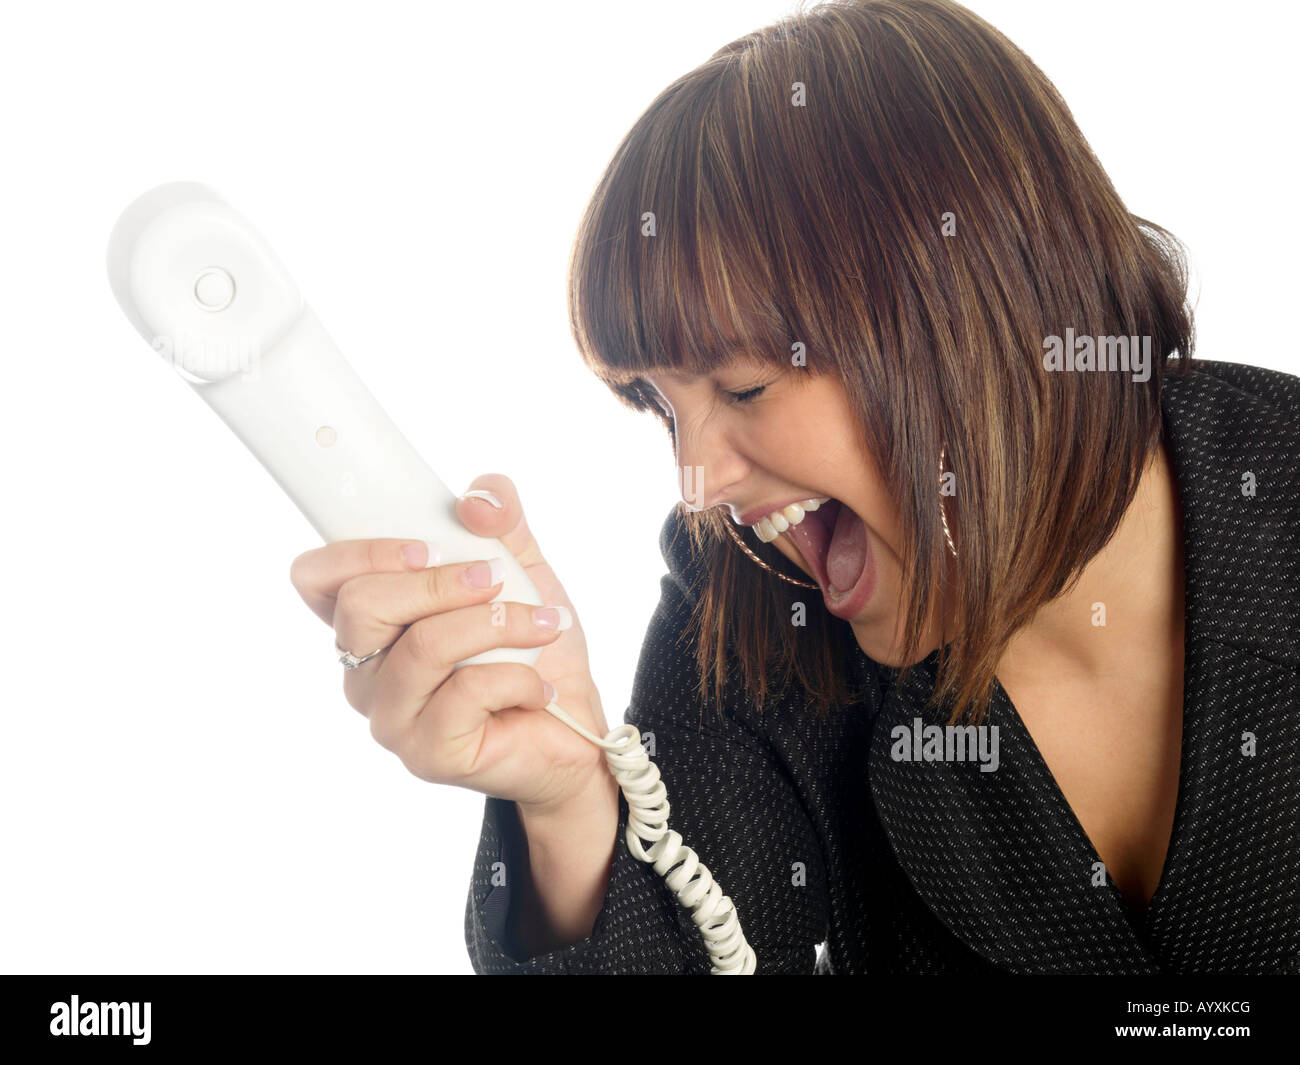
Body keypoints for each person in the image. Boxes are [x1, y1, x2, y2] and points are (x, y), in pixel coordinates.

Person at [289, 0, 1300, 973]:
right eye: (661, 407)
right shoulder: (746, 597)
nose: (699, 484)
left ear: (975, 314)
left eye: (744, 385)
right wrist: (565, 800)